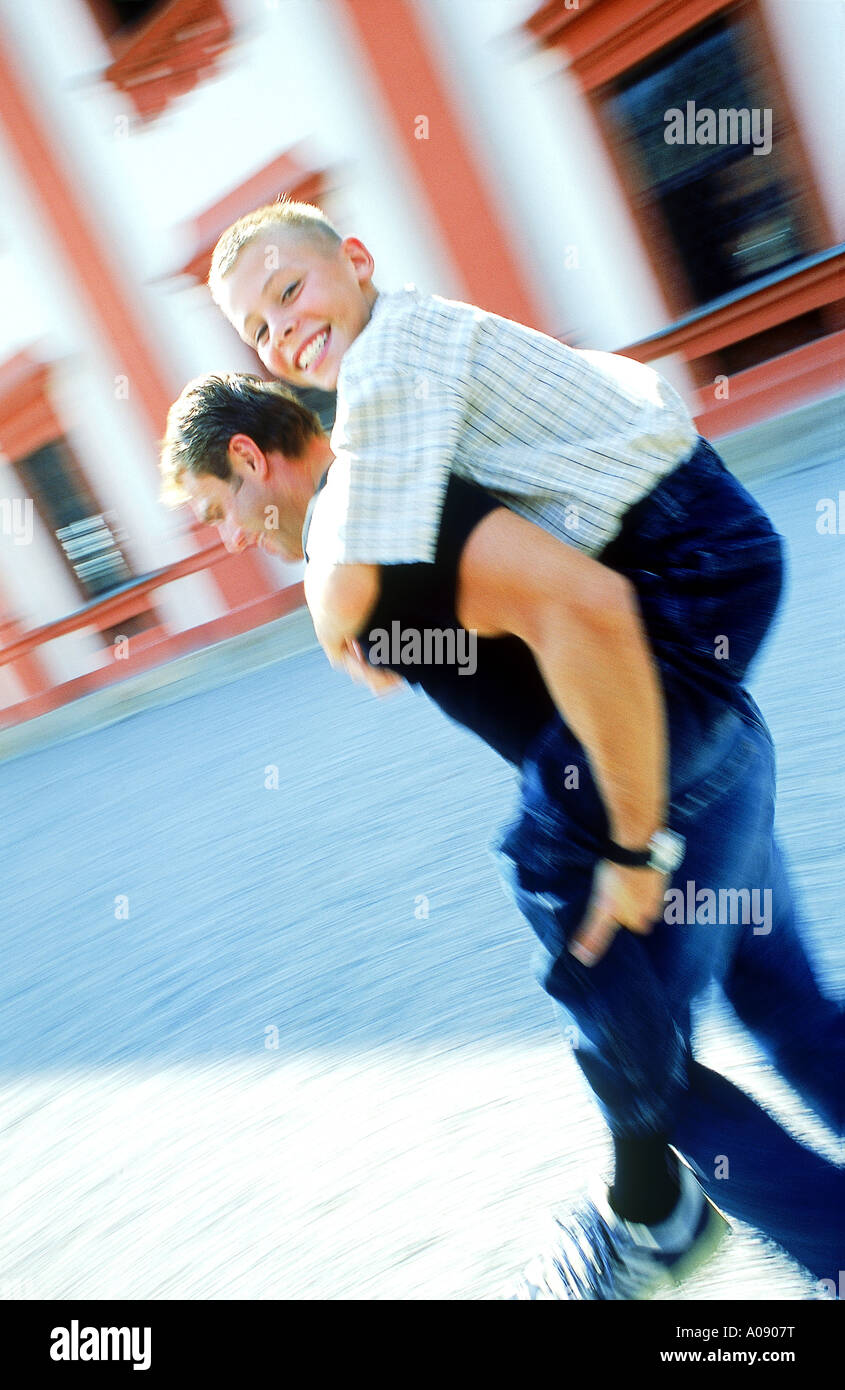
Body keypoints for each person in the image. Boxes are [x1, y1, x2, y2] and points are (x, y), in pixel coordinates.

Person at [157, 201, 844, 1297]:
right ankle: (650, 1212)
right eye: (259, 329)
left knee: (643, 1076)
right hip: (706, 720)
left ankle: (677, 1226)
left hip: (652, 754)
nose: (230, 542)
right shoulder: (395, 446)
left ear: (250, 456)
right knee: (788, 1008)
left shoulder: (374, 495)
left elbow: (580, 611)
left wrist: (628, 843)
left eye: (215, 513)